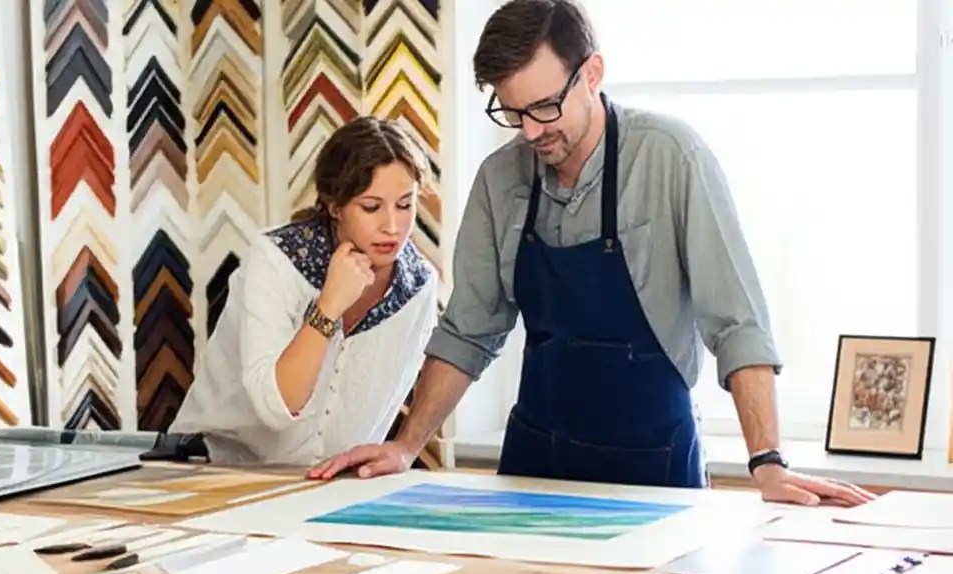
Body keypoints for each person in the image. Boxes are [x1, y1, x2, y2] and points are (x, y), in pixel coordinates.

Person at [308, 0, 875, 507]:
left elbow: (738, 325)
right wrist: (406, 447)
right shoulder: (499, 179)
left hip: (652, 467)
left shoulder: (672, 157)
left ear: (592, 75)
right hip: (533, 470)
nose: (529, 132)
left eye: (544, 108)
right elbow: (468, 331)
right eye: (512, 112)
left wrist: (767, 462)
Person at [167, 116, 439, 465]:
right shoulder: (276, 261)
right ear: (334, 204)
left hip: (331, 486)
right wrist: (328, 306)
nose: (392, 226)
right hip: (216, 470)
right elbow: (277, 407)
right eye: (371, 207)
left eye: (405, 205)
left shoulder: (418, 286)